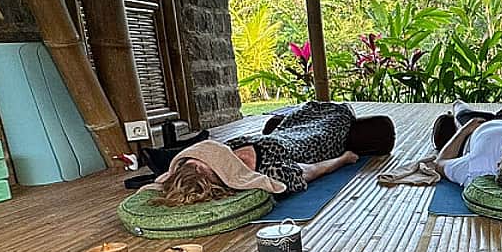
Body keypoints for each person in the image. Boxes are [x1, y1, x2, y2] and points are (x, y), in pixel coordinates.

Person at [153, 101, 359, 206]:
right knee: (339, 113)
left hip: (285, 131)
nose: (196, 156)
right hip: (313, 138)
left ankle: (166, 154)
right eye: (195, 161)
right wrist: (344, 159)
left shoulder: (227, 151)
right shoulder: (271, 172)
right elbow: (312, 170)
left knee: (302, 110)